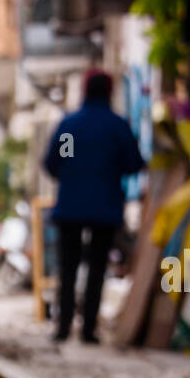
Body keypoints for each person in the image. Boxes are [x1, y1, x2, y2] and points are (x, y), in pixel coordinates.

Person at [43, 69, 145, 344]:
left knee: (68, 268)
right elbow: (133, 163)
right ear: (110, 92)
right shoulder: (116, 127)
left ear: (84, 90)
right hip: (105, 208)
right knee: (98, 269)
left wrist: (74, 173)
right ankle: (89, 329)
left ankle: (63, 327)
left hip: (70, 207)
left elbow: (54, 163)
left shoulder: (71, 126)